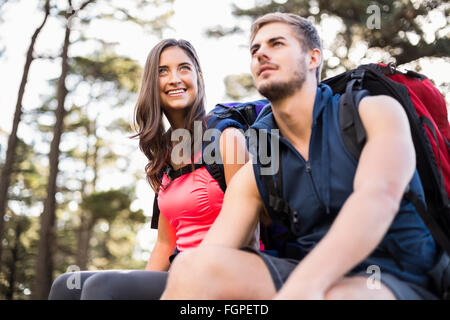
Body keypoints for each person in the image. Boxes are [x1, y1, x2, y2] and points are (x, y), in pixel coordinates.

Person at [160, 13, 440, 300]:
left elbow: (377, 200)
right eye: (255, 49)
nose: (261, 53)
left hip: (396, 276)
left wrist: (302, 289)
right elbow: (215, 251)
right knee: (191, 268)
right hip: (307, 277)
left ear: (313, 58)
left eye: (276, 43)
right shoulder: (260, 164)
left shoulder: (372, 111)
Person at [48, 38, 252, 299]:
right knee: (66, 285)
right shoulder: (164, 158)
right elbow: (165, 245)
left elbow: (249, 231)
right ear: (151, 85)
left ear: (199, 77)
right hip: (180, 275)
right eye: (162, 71)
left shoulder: (227, 138)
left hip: (226, 273)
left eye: (184, 68)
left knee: (101, 287)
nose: (175, 78)